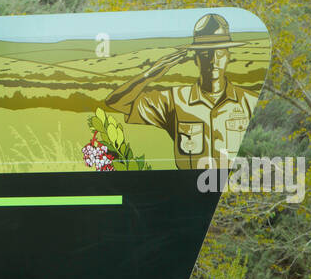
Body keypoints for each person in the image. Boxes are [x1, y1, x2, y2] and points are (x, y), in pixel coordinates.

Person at [104, 13, 256, 169]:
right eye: (205, 54)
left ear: (228, 57)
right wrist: (151, 74)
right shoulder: (174, 100)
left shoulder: (249, 101)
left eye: (220, 53)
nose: (213, 60)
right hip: (188, 190)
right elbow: (116, 103)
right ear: (196, 59)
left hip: (232, 191)